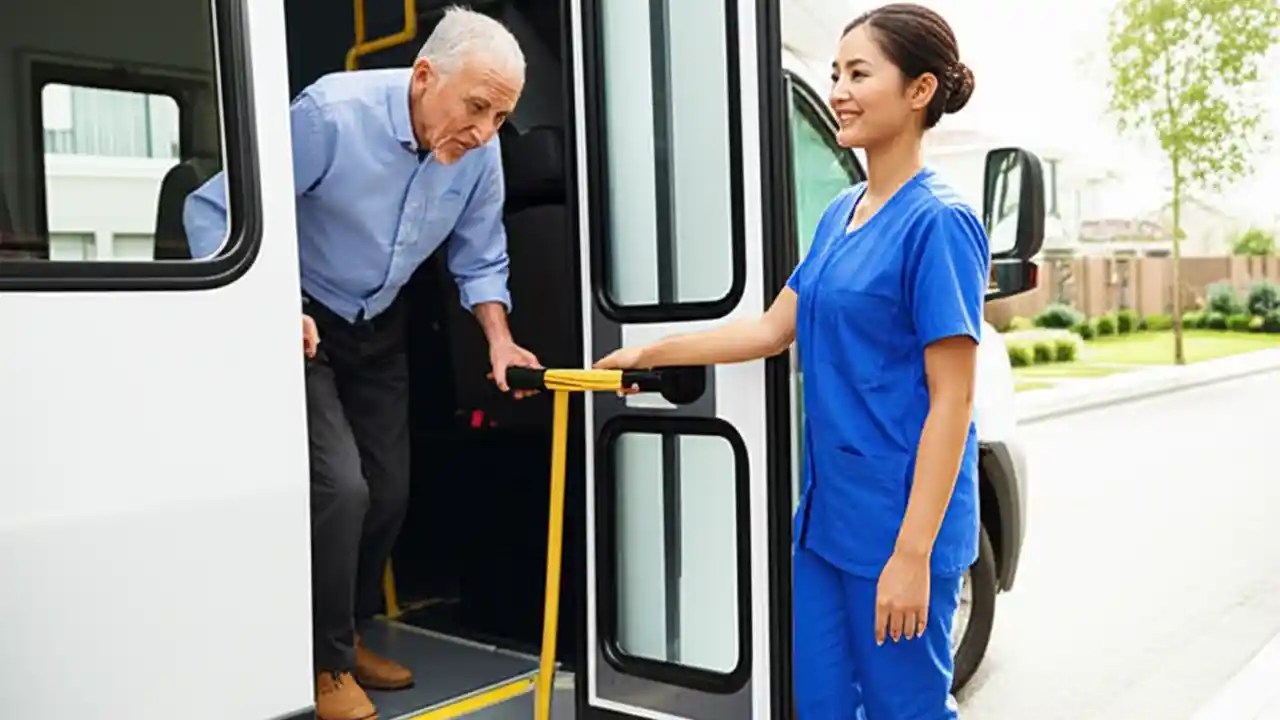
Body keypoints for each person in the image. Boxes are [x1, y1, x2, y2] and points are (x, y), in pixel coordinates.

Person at [594, 4, 985, 718]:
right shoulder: (842, 212)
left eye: (859, 73)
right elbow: (773, 329)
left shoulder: (942, 222)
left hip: (899, 528)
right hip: (828, 521)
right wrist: (647, 352)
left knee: (907, 709)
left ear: (920, 90)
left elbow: (953, 400)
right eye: (836, 72)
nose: (838, 89)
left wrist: (913, 555)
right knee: (821, 705)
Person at [183, 7, 540, 720]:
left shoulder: (479, 150)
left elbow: (479, 253)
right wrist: (270, 309)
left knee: (390, 490)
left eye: (501, 116)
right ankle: (321, 664)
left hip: (379, 321)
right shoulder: (329, 116)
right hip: (301, 316)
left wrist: (499, 340)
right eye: (476, 108)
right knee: (340, 489)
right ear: (423, 76)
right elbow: (212, 209)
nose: (484, 132)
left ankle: (341, 637)